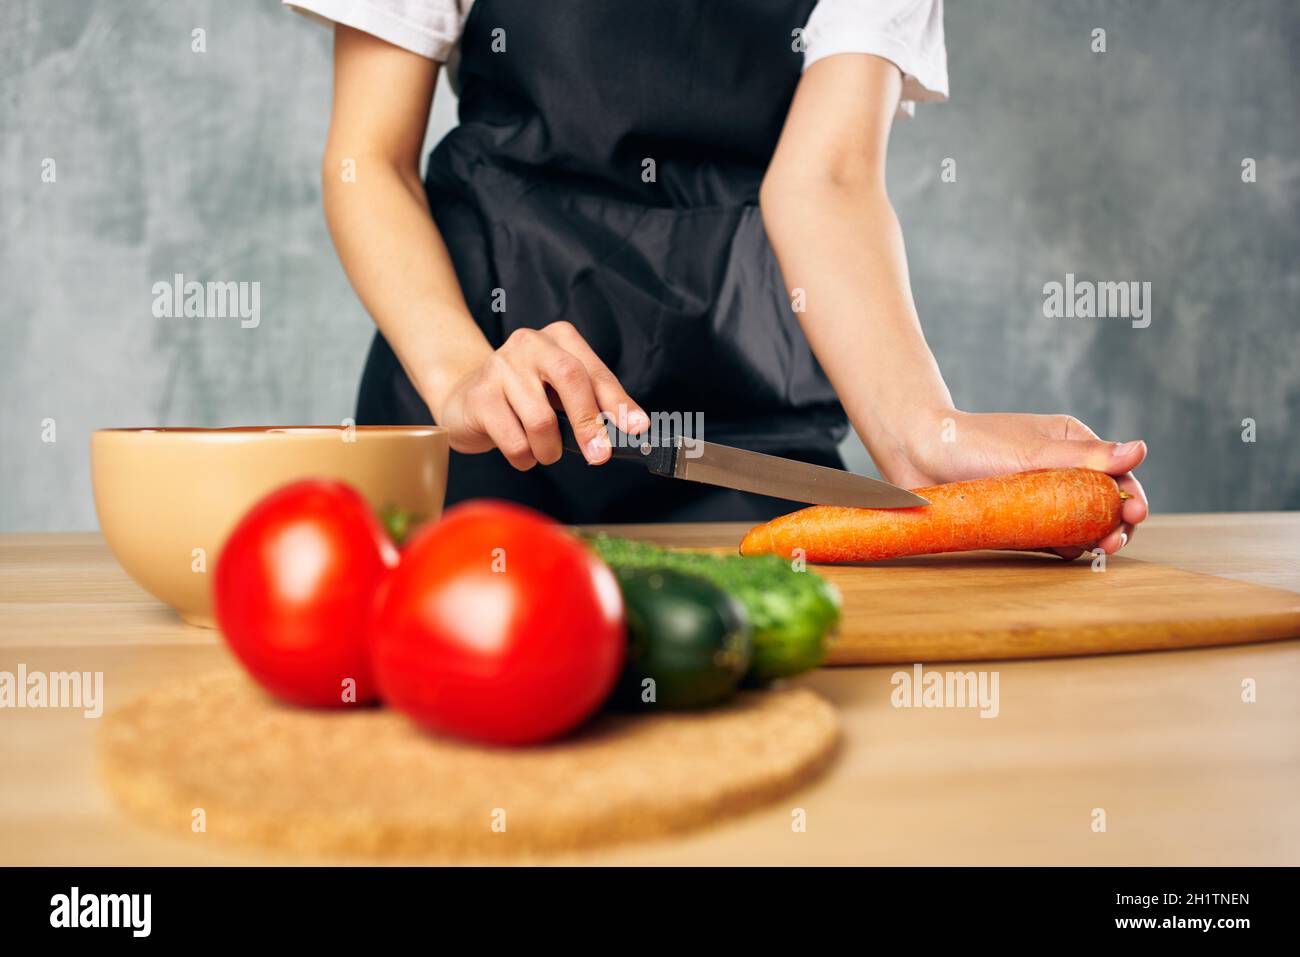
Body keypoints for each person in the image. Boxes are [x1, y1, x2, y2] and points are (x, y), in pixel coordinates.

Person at [289, 0, 1147, 551]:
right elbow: (369, 160)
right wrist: (459, 373)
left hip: (736, 442)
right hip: (480, 421)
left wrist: (924, 428)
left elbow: (827, 181)